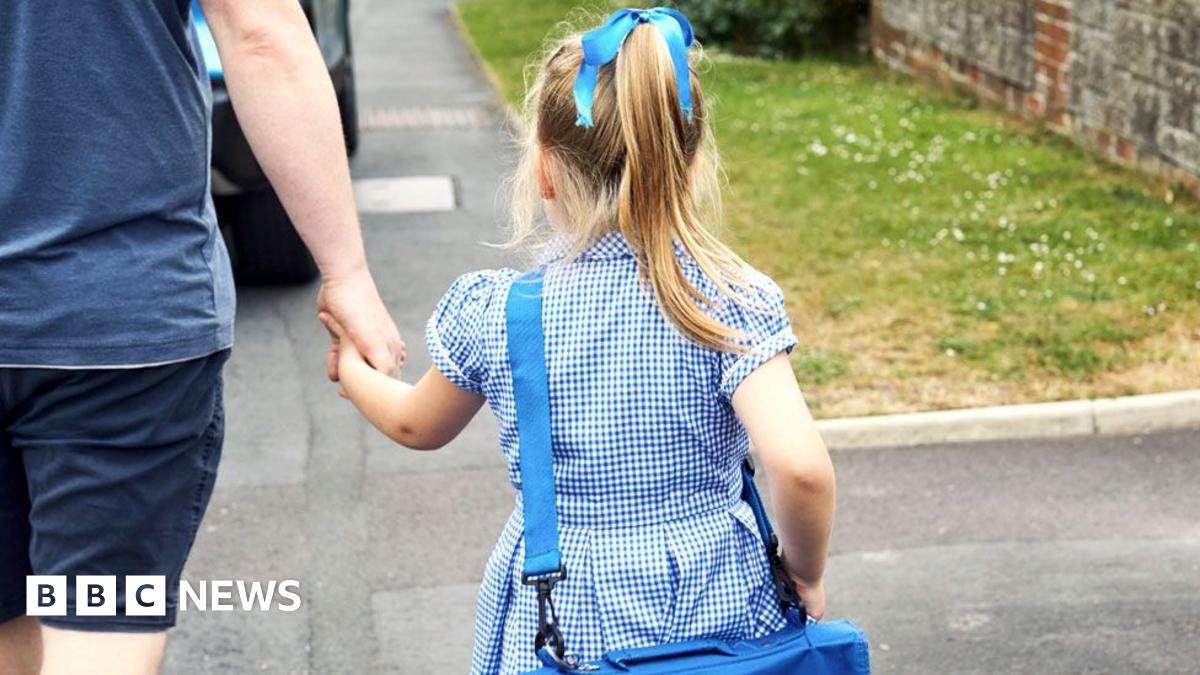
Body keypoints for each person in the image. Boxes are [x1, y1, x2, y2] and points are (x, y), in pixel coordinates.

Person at [324, 7, 836, 674]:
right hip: (719, 597)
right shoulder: (727, 301)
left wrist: (351, 367)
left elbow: (415, 424)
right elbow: (800, 468)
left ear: (543, 171)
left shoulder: (505, 313)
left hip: (564, 607)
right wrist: (806, 571)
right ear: (690, 167)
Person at [0, 1, 402, 673]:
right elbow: (260, 32)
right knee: (99, 626)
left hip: (114, 315)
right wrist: (347, 273)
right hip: (118, 309)